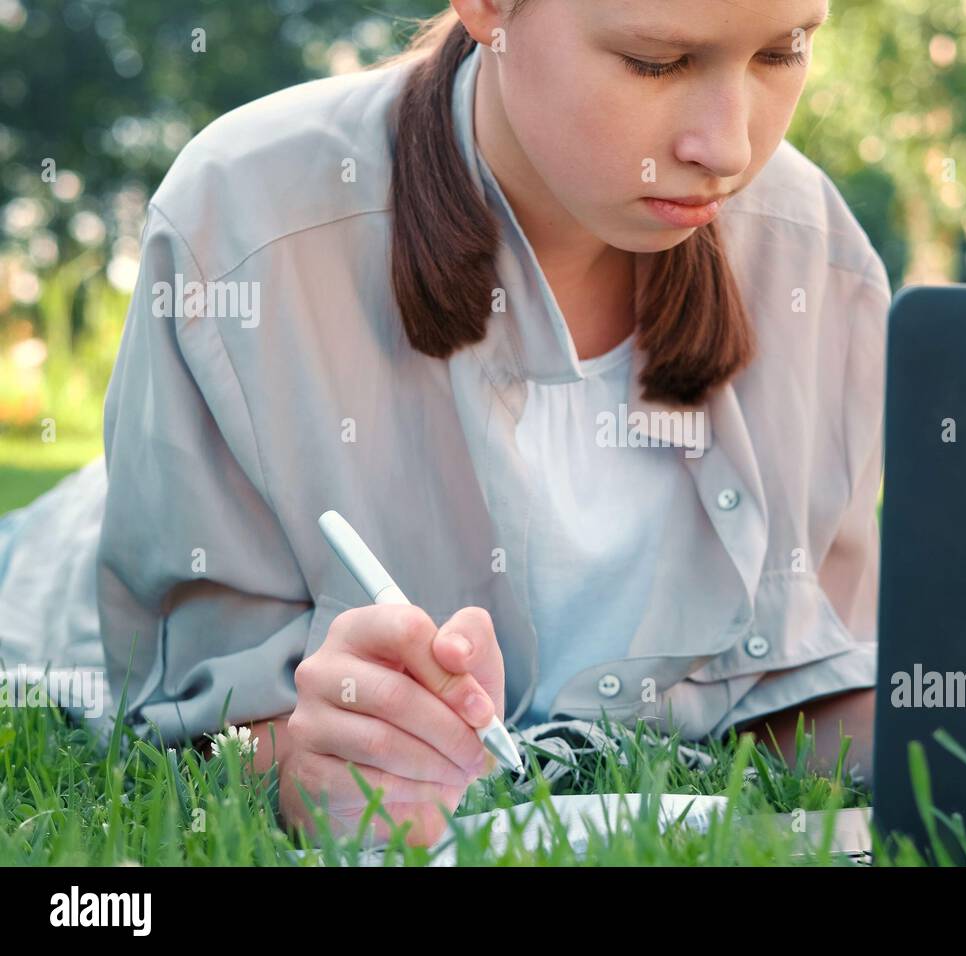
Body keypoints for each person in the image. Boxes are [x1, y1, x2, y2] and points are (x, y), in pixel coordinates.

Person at [0, 0, 890, 847]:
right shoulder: (240, 220)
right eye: (653, 61)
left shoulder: (820, 259)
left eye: (782, 52)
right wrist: (296, 757)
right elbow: (193, 707)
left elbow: (813, 676)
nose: (729, 147)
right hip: (57, 567)